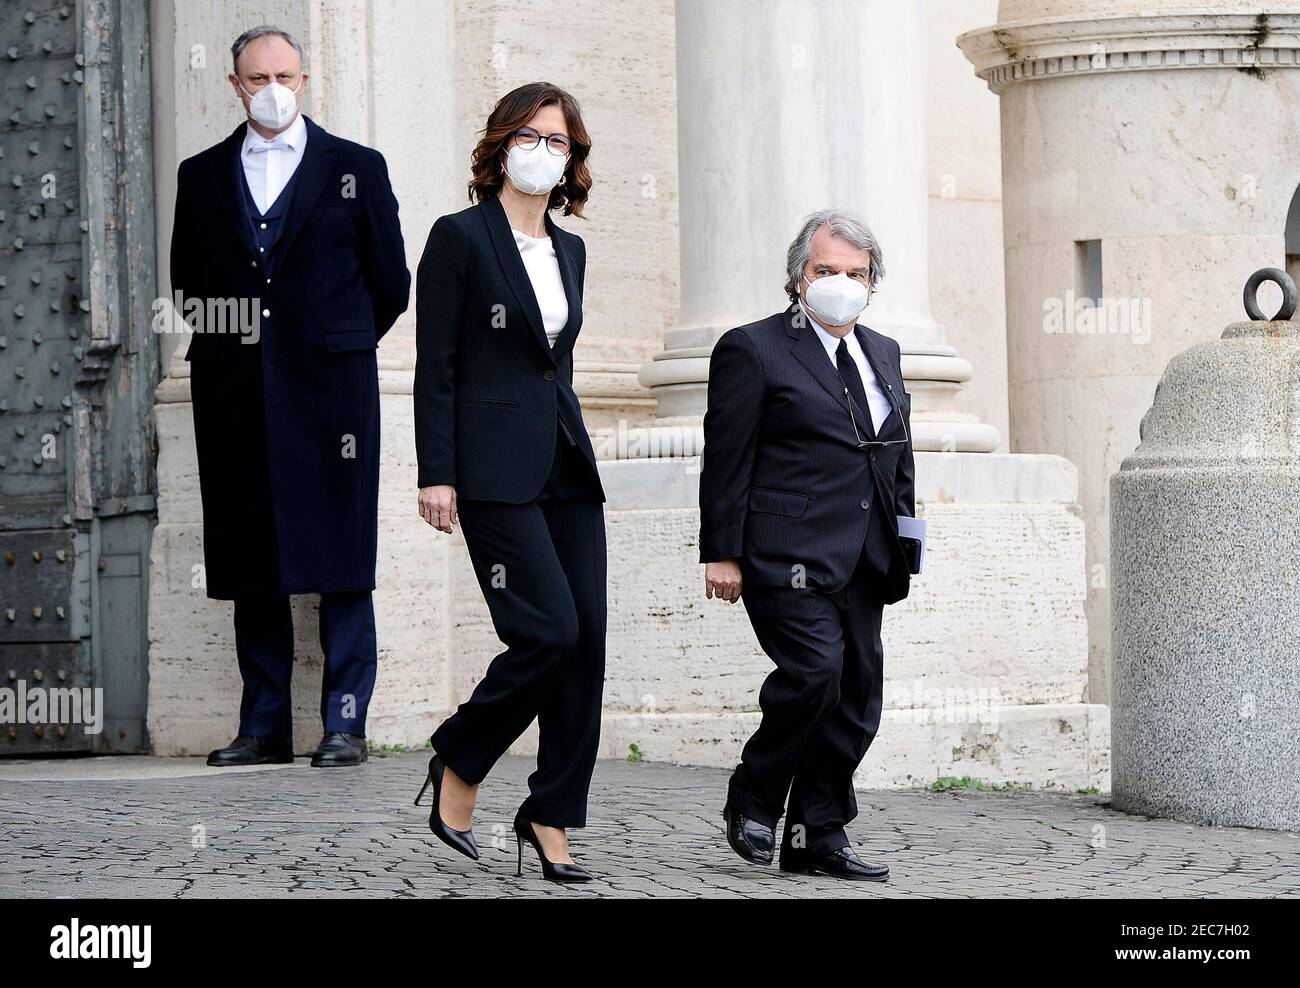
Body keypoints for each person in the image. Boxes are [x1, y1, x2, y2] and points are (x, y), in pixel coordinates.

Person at [171, 25, 409, 768]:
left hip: (334, 394)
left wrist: (335, 340)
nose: (272, 87)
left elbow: (391, 281)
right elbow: (188, 281)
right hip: (235, 390)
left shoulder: (356, 167)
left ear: (303, 81)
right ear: (235, 85)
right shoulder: (200, 173)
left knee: (341, 553)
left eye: (285, 75)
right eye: (256, 76)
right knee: (251, 554)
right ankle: (264, 725)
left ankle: (345, 722)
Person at [413, 82, 606, 882]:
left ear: (572, 161)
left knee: (586, 644)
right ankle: (460, 759)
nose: (543, 151)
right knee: (546, 633)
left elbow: (552, 366)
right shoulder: (458, 238)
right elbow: (438, 365)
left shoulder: (572, 250)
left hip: (565, 462)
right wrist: (437, 475)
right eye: (530, 136)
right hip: (491, 471)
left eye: (559, 141)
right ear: (499, 145)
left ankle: (551, 814)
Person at [698, 209, 916, 881]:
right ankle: (755, 793)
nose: (841, 284)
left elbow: (896, 455)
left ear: (872, 280)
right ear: (799, 277)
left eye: (856, 273)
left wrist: (907, 536)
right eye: (827, 271)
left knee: (857, 696)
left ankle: (816, 832)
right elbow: (727, 458)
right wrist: (721, 550)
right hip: (783, 554)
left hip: (868, 553)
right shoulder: (753, 348)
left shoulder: (883, 351)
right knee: (815, 672)